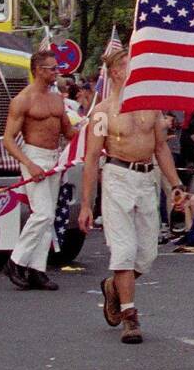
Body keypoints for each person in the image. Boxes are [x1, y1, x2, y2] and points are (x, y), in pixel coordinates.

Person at [79, 49, 187, 342]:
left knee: (147, 255)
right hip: (117, 178)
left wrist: (176, 185)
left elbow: (161, 148)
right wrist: (86, 204)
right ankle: (130, 316)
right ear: (116, 72)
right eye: (130, 65)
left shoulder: (151, 107)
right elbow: (91, 157)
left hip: (146, 179)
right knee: (124, 250)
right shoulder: (102, 112)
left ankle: (114, 287)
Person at [1, 49, 76, 291]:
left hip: (54, 158)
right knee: (42, 213)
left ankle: (37, 269)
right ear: (38, 71)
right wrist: (29, 164)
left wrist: (92, 133)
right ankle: (15, 261)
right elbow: (8, 139)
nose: (57, 72)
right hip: (33, 156)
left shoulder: (57, 99)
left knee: (48, 216)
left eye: (57, 68)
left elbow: (68, 131)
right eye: (52, 68)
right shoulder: (23, 99)